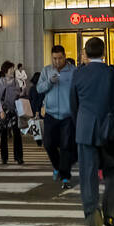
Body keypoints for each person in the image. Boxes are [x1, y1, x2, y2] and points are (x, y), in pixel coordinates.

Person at [68, 36, 114, 226]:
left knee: (88, 174)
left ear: (85, 53)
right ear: (104, 53)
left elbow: (73, 104)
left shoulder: (78, 74)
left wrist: (80, 122)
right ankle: (110, 212)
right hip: (110, 130)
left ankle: (92, 213)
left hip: (86, 129)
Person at [36, 45, 76, 189]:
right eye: (54, 59)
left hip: (67, 115)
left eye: (59, 58)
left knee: (66, 146)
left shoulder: (73, 71)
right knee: (48, 144)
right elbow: (39, 89)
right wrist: (49, 82)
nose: (57, 61)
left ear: (65, 56)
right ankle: (58, 167)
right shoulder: (46, 70)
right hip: (51, 113)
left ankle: (65, 178)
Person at [0, 60, 24, 165]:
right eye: (11, 69)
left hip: (14, 110)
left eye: (13, 69)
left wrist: (21, 93)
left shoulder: (16, 82)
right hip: (4, 110)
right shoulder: (0, 82)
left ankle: (18, 157)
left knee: (17, 134)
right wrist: (1, 111)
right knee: (4, 134)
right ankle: (4, 158)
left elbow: (18, 95)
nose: (12, 71)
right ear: (5, 71)